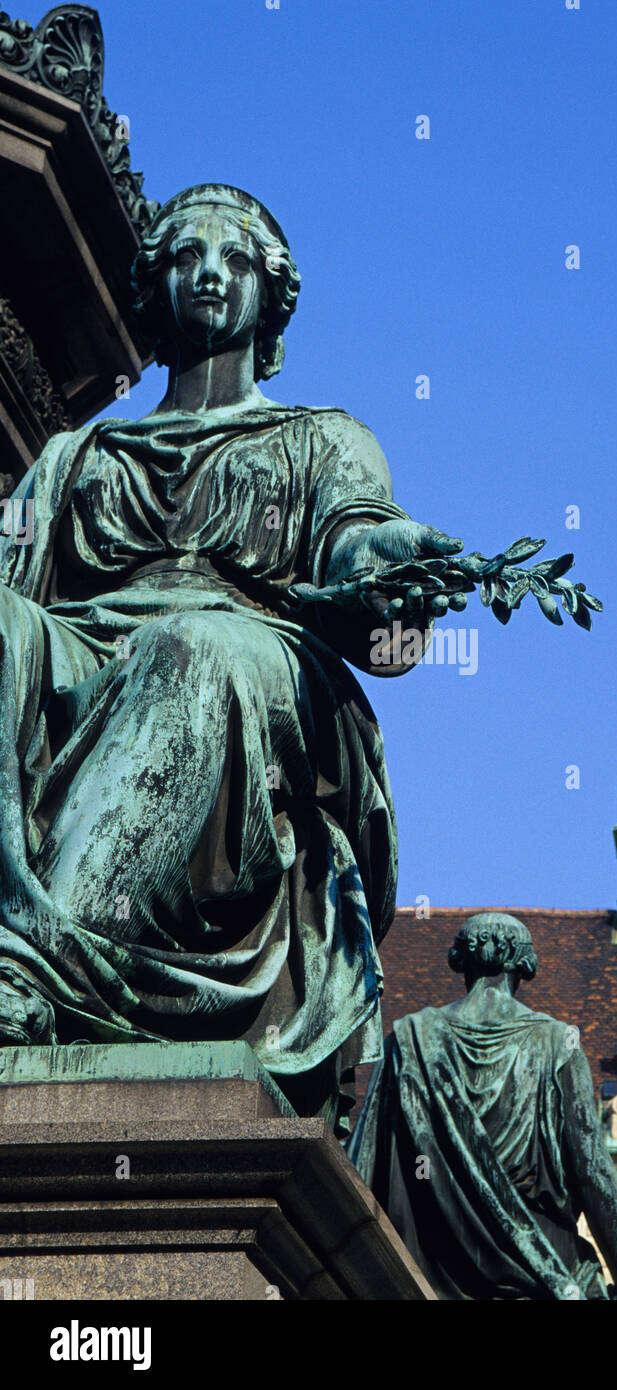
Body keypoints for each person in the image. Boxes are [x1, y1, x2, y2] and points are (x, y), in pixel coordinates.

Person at [0, 183, 464, 1130]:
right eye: (186, 256)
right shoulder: (77, 456)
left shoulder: (322, 439)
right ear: (153, 287)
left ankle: (40, 965)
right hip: (81, 650)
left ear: (270, 296)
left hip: (248, 660)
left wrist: (390, 562)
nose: (209, 273)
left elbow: (358, 553)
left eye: (235, 259)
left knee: (188, 647)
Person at [349, 912, 617, 1300]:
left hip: (435, 1264)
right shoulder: (558, 1045)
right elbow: (592, 1170)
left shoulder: (408, 1040)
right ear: (523, 965)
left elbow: (365, 1165)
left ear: (460, 960)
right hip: (538, 1262)